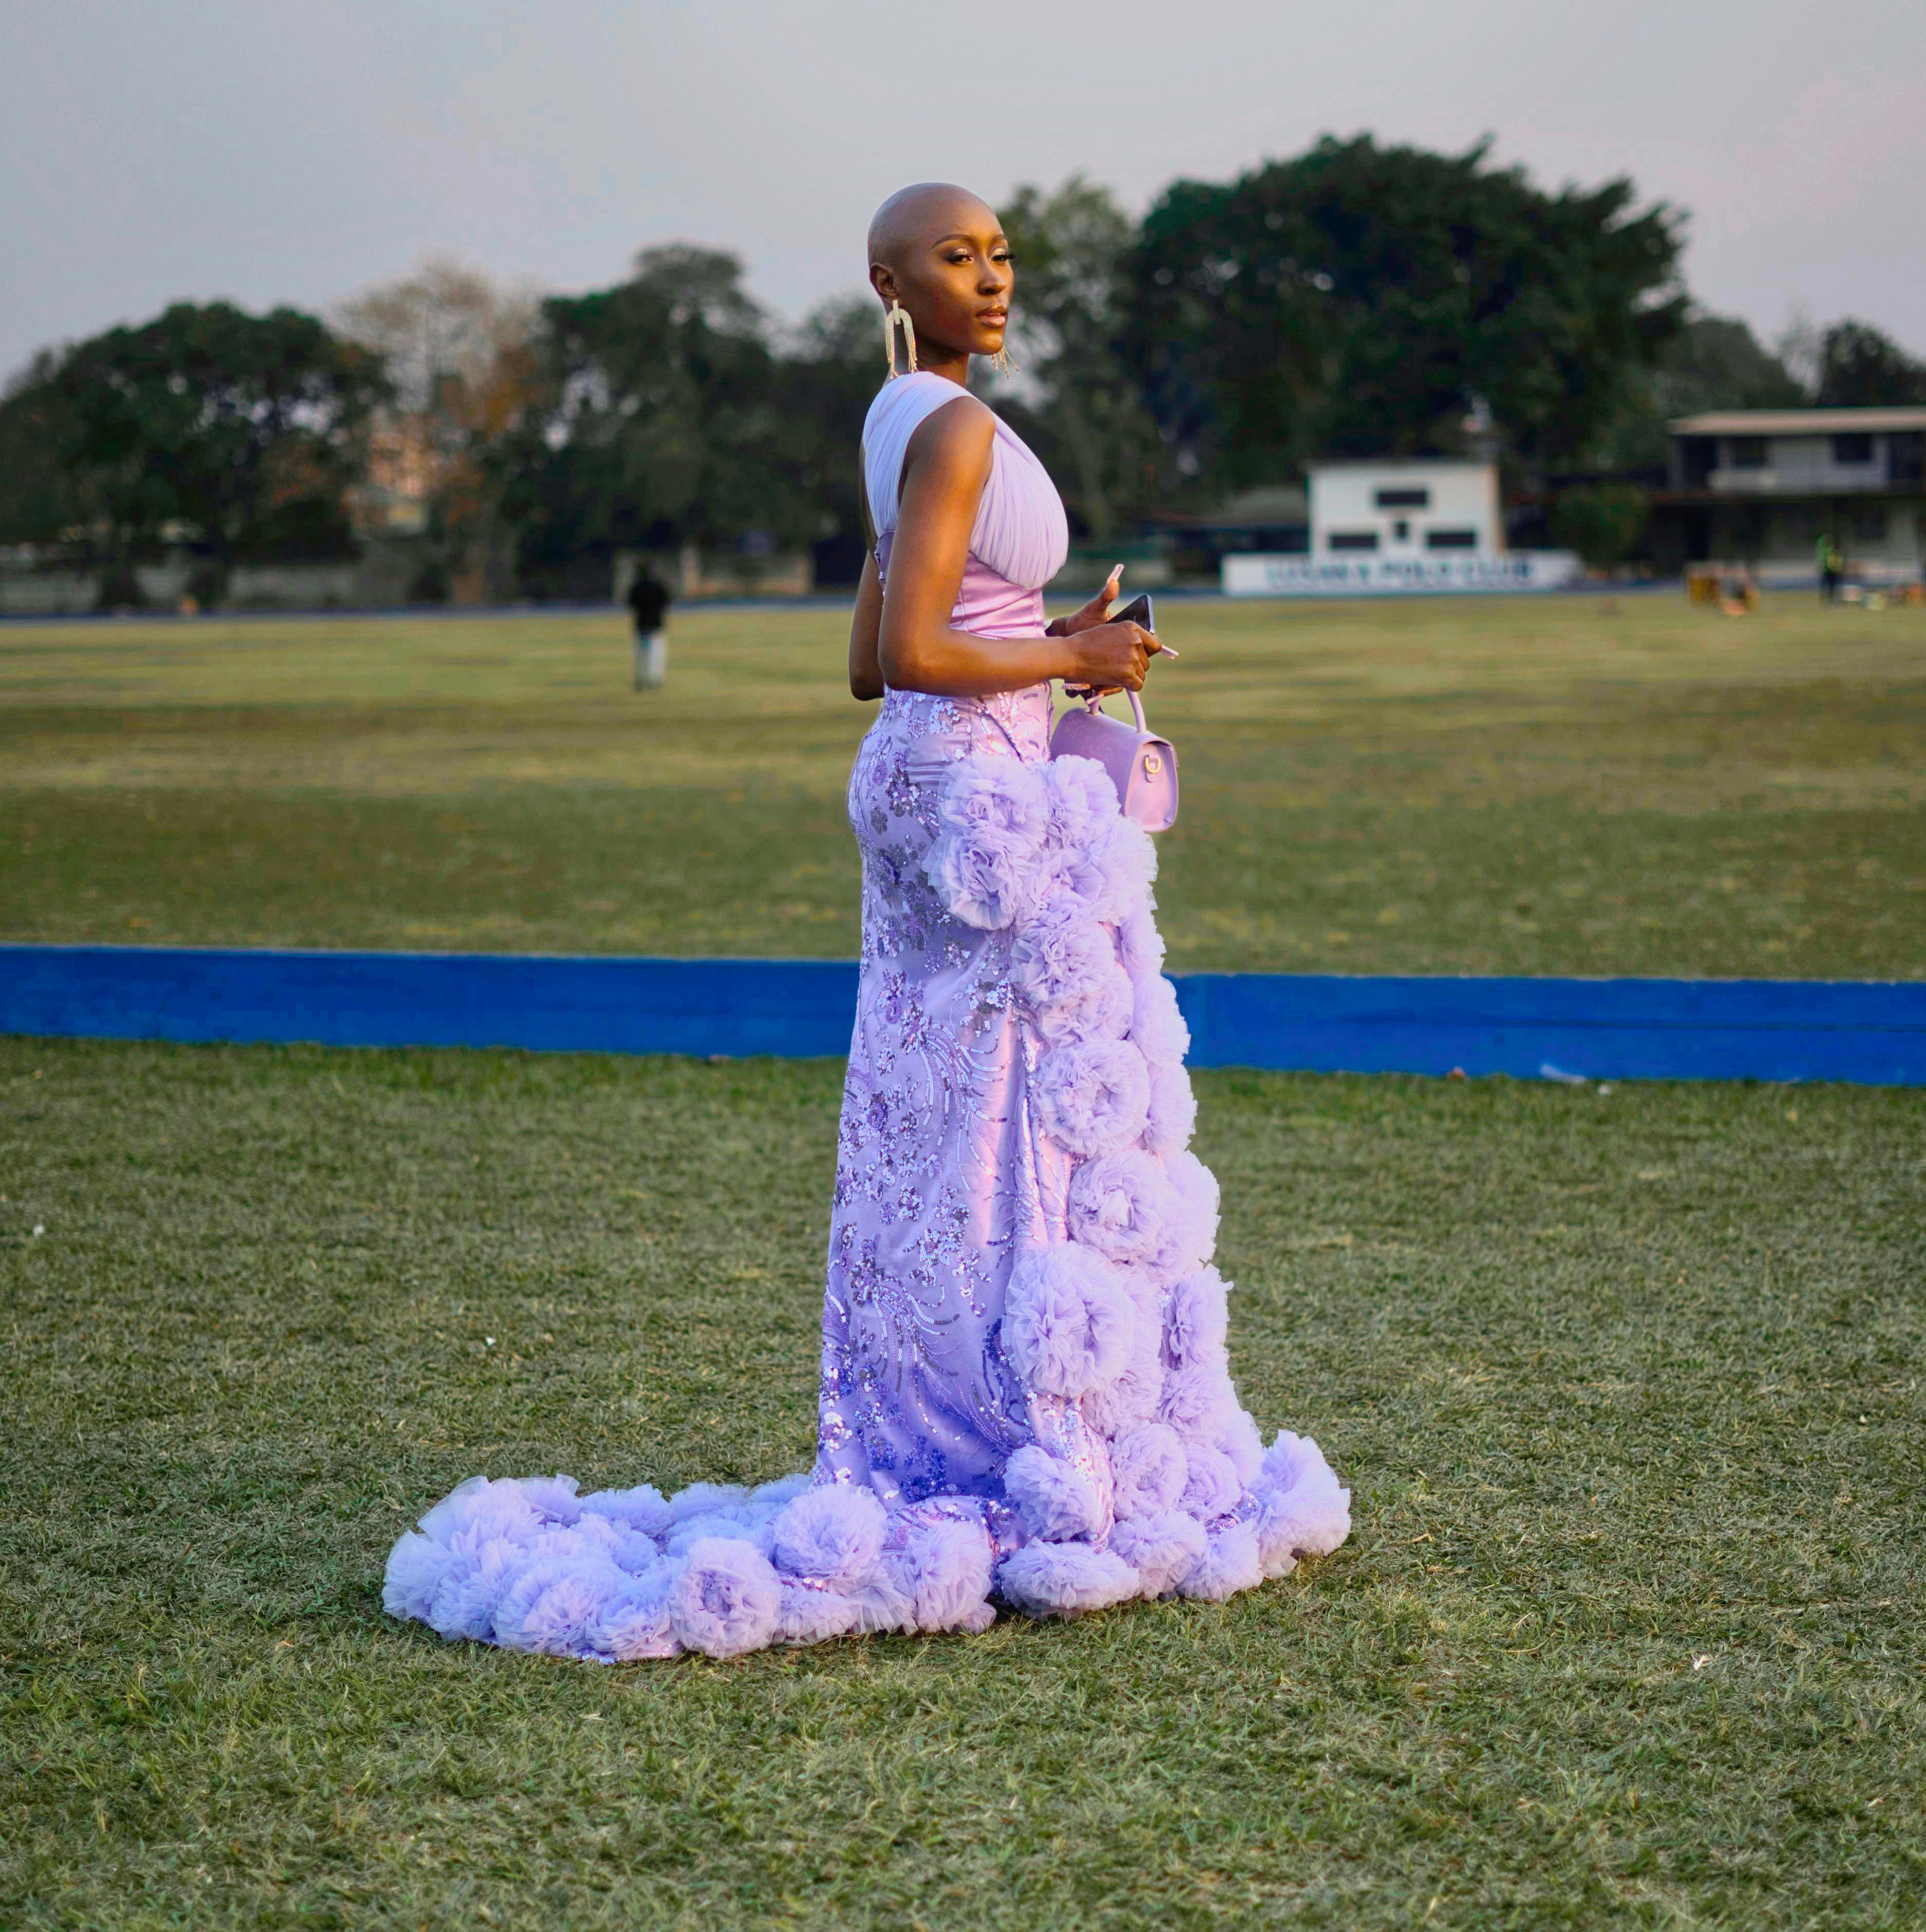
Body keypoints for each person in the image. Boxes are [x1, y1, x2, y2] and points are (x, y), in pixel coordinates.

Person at [382, 184, 1350, 1663]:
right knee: (1010, 1118)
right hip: (977, 802)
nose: (994, 278)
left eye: (1003, 255)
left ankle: (913, 1426)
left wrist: (1046, 648)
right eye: (959, 258)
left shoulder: (891, 422)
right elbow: (906, 647)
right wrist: (1076, 646)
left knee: (927, 1111)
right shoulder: (951, 428)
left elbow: (868, 666)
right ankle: (1004, 1432)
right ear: (893, 279)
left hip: (920, 774)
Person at [626, 565, 671, 689]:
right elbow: (666, 602)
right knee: (656, 654)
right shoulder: (658, 586)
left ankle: (641, 678)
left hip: (641, 625)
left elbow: (630, 604)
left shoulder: (637, 588)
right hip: (657, 624)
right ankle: (655, 679)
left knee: (641, 654)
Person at [1815, 530, 1842, 605]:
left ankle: (1831, 599)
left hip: (1832, 571)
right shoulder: (1825, 550)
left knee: (1832, 587)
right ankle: (1825, 599)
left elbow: (1836, 561)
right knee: (1825, 586)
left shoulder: (1831, 550)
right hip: (1827, 571)